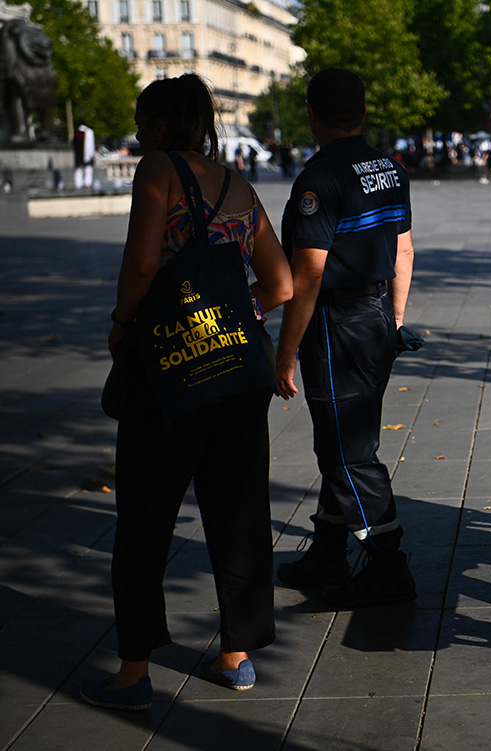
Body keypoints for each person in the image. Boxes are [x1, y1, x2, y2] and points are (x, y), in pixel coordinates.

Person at [80, 74, 293, 711]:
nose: (140, 133)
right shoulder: (240, 186)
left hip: (169, 375)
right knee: (240, 512)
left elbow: (143, 262)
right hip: (237, 376)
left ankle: (135, 669)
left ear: (162, 125)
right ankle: (237, 655)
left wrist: (123, 324)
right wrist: (233, 314)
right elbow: (280, 284)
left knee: (145, 516)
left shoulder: (157, 172)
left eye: (144, 122)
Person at [274, 68, 417, 610]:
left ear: (312, 113)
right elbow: (404, 252)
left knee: (349, 452)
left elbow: (307, 275)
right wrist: (394, 323)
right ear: (362, 112)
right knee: (340, 442)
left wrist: (285, 349)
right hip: (377, 316)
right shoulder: (388, 167)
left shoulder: (319, 179)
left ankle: (389, 567)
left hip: (337, 327)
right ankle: (330, 552)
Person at [73, 121, 95, 190]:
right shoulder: (89, 132)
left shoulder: (78, 133)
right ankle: (87, 184)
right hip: (85, 154)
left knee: (79, 170)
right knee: (87, 169)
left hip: (79, 154)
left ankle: (78, 184)